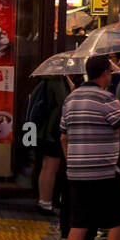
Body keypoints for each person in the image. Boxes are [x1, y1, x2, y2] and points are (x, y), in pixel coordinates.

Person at [58, 55, 120, 240]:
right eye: (110, 73)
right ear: (105, 74)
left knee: (79, 222)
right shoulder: (107, 98)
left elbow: (63, 136)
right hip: (104, 171)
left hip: (77, 171)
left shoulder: (71, 98)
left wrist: (72, 161)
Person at [36, 72, 75, 215]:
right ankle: (45, 202)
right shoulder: (57, 80)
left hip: (47, 130)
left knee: (49, 166)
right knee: (50, 166)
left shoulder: (56, 79)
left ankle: (46, 201)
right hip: (51, 131)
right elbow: (64, 103)